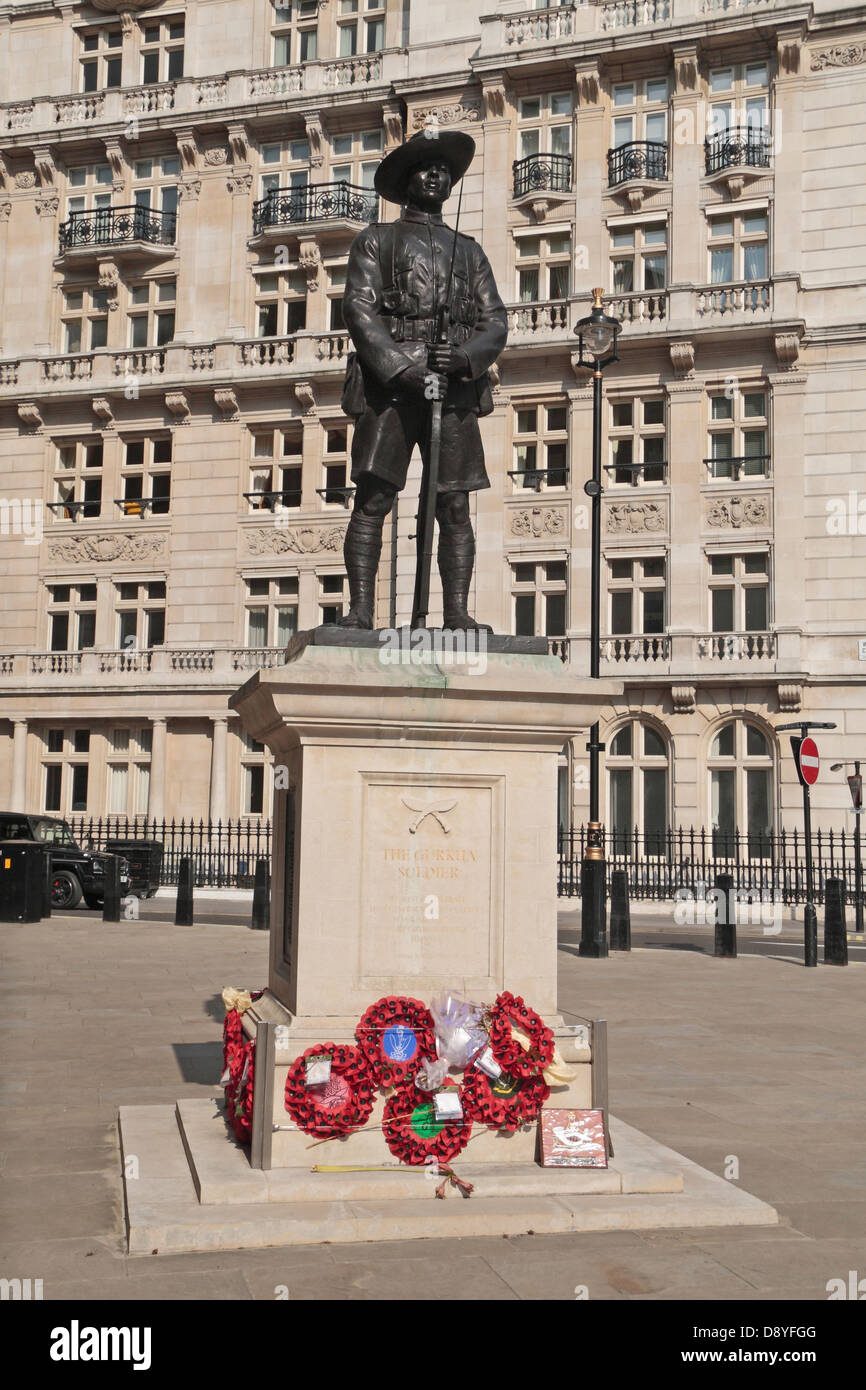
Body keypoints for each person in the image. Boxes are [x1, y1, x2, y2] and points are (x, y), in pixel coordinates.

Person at [338, 129, 507, 630]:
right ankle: (361, 610)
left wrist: (465, 359)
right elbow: (359, 310)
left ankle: (456, 611)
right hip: (392, 386)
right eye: (426, 167)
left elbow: (494, 319)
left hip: (453, 387)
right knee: (374, 497)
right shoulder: (377, 239)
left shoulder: (469, 251)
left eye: (444, 171)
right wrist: (405, 370)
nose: (437, 176)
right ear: (406, 179)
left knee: (454, 503)